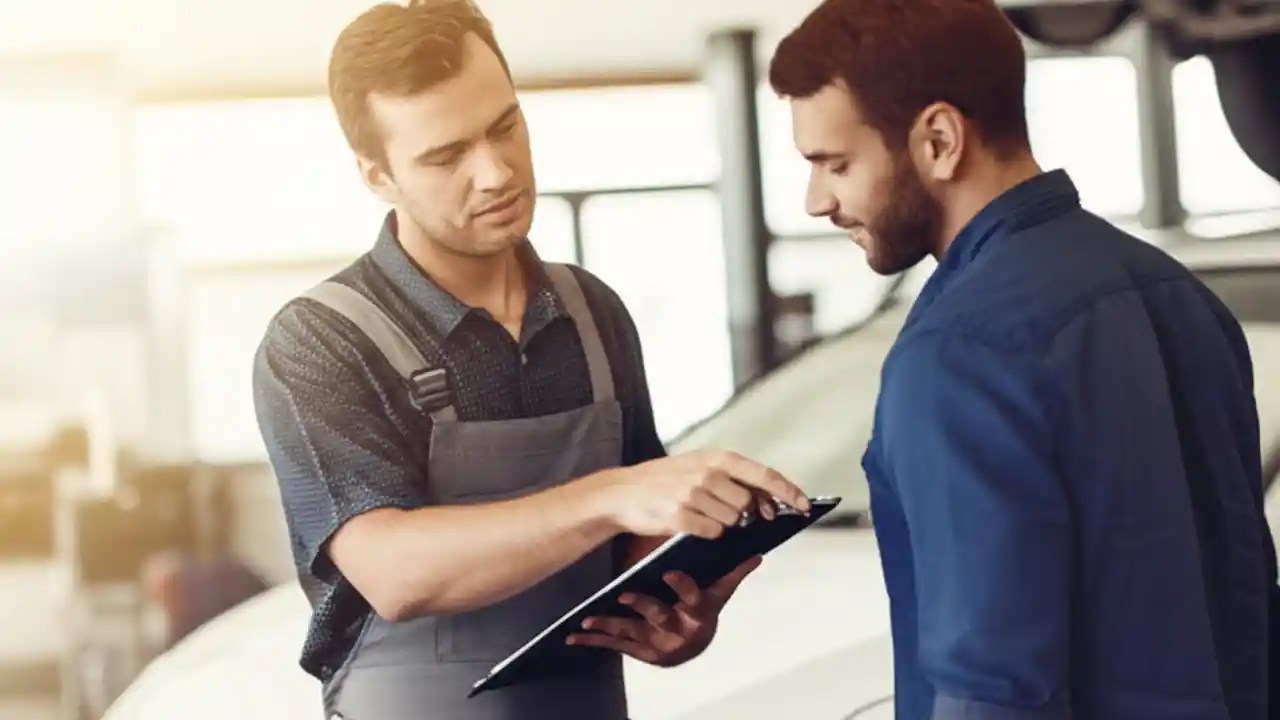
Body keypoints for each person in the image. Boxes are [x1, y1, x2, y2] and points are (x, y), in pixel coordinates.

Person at [251, 1, 809, 718]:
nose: (494, 173)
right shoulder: (320, 341)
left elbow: (630, 545)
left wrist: (680, 617)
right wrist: (609, 492)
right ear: (376, 176)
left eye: (504, 127)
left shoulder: (592, 313)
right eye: (445, 156)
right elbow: (393, 573)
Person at [769, 1, 1278, 719]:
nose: (817, 200)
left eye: (836, 163)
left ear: (939, 139)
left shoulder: (958, 353)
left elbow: (994, 685)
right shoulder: (1184, 299)